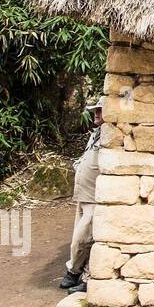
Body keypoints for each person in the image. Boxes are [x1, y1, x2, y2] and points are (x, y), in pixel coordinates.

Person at [59, 96, 103, 293]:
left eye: (100, 111)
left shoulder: (110, 136)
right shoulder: (96, 134)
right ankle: (75, 272)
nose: (96, 114)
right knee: (80, 237)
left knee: (84, 238)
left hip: (94, 196)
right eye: (95, 111)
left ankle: (82, 275)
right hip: (83, 195)